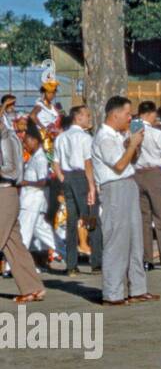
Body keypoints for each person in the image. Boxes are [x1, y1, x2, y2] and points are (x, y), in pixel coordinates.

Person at [91, 96, 156, 305]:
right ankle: (112, 293)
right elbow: (118, 165)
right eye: (127, 114)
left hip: (128, 184)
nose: (130, 118)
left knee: (135, 239)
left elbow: (129, 161)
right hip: (115, 187)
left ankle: (137, 288)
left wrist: (134, 146)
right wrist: (132, 146)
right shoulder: (104, 138)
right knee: (117, 240)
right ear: (115, 114)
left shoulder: (118, 136)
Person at [52, 104, 101, 274]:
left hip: (67, 177)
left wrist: (63, 178)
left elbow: (55, 162)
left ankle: (71, 265)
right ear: (78, 117)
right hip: (82, 177)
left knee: (72, 222)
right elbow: (88, 163)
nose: (89, 118)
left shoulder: (61, 137)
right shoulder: (85, 137)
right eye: (86, 115)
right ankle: (96, 263)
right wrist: (92, 186)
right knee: (91, 218)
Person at [0, 120, 44, 303]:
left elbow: (13, 171)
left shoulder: (7, 138)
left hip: (5, 192)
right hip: (6, 194)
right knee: (14, 245)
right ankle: (32, 288)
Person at [134, 101, 161, 271]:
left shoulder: (131, 131)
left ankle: (146, 259)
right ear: (150, 114)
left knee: (143, 220)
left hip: (137, 174)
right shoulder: (156, 133)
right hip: (156, 173)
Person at [18, 127, 57, 261]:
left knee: (23, 234)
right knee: (45, 234)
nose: (25, 144)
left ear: (35, 140)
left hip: (32, 203)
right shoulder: (34, 157)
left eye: (26, 141)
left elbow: (43, 182)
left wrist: (24, 183)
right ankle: (68, 255)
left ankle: (12, 266)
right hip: (30, 202)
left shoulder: (40, 158)